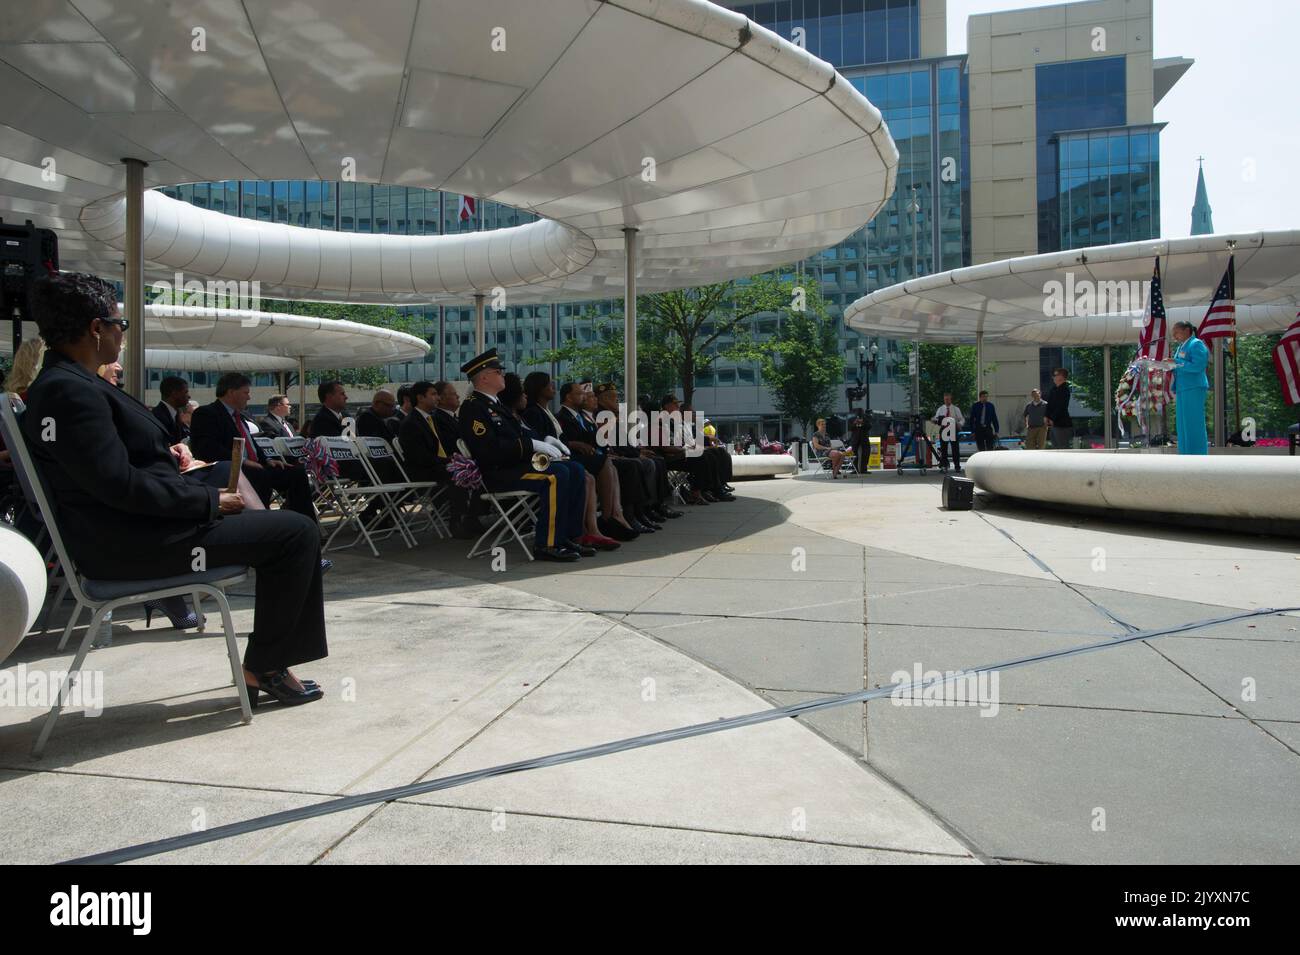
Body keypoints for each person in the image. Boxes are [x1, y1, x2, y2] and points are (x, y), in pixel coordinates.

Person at [21, 271, 325, 706]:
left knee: (266, 511)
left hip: (137, 529)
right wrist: (207, 500)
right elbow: (116, 484)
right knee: (296, 533)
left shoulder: (68, 385)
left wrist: (187, 473)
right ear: (95, 329)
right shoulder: (70, 392)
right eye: (119, 325)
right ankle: (266, 667)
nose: (122, 336)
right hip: (134, 544)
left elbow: (115, 471)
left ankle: (268, 663)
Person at [458, 350, 588, 562]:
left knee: (575, 469)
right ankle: (547, 543)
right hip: (499, 473)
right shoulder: (473, 407)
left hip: (516, 466)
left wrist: (543, 439)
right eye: (498, 371)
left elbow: (520, 433)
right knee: (555, 476)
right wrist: (531, 444)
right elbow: (489, 449)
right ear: (484, 377)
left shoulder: (496, 404)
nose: (503, 374)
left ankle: (567, 537)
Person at [189, 372, 317, 521]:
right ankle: (263, 523)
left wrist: (268, 459)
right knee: (259, 475)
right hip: (233, 470)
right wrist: (242, 461)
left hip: (257, 466)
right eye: (246, 393)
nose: (249, 397)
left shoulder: (241, 416)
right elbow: (207, 448)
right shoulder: (207, 413)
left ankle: (303, 523)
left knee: (296, 473)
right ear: (231, 392)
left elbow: (251, 442)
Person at [398, 380, 479, 539]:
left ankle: (471, 517)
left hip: (436, 465)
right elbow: (419, 456)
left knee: (471, 468)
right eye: (433, 394)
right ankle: (457, 521)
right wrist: (447, 461)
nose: (437, 398)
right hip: (421, 470)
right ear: (420, 398)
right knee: (458, 473)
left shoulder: (432, 419)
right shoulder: (411, 423)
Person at [593, 382, 680, 520]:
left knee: (658, 461)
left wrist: (638, 451)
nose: (617, 400)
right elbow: (612, 444)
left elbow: (623, 442)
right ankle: (638, 511)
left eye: (616, 397)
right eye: (612, 397)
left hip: (623, 453)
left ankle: (657, 505)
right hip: (613, 456)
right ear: (602, 399)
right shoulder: (601, 416)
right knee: (644, 464)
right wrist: (636, 454)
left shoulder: (612, 416)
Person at [1171, 320, 1210, 455]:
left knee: (1194, 421)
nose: (1174, 336)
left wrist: (1175, 362)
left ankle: (1198, 453)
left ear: (1187, 330)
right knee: (1183, 424)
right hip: (1183, 387)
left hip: (1194, 387)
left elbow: (1198, 366)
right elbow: (1180, 365)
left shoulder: (1196, 344)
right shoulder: (1181, 347)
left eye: (1176, 332)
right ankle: (1186, 453)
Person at [932, 393, 965, 472]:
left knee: (955, 449)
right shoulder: (940, 409)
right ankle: (944, 466)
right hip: (944, 429)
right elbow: (936, 418)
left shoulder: (955, 409)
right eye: (945, 399)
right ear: (944, 399)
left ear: (951, 399)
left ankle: (957, 466)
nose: (947, 401)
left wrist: (959, 424)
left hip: (953, 429)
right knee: (943, 449)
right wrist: (934, 420)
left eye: (948, 399)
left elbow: (962, 419)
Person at [152, 376, 190, 444]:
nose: (189, 396)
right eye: (185, 392)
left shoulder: (175, 416)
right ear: (174, 393)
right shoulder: (158, 417)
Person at [1045, 368, 1073, 449]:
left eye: (1055, 375)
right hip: (1054, 423)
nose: (1053, 377)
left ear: (1061, 377)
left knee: (1063, 447)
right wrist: (1046, 416)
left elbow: (1061, 407)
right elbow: (1049, 404)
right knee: (1055, 447)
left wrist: (1052, 418)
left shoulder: (1065, 390)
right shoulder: (1053, 389)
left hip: (1062, 424)